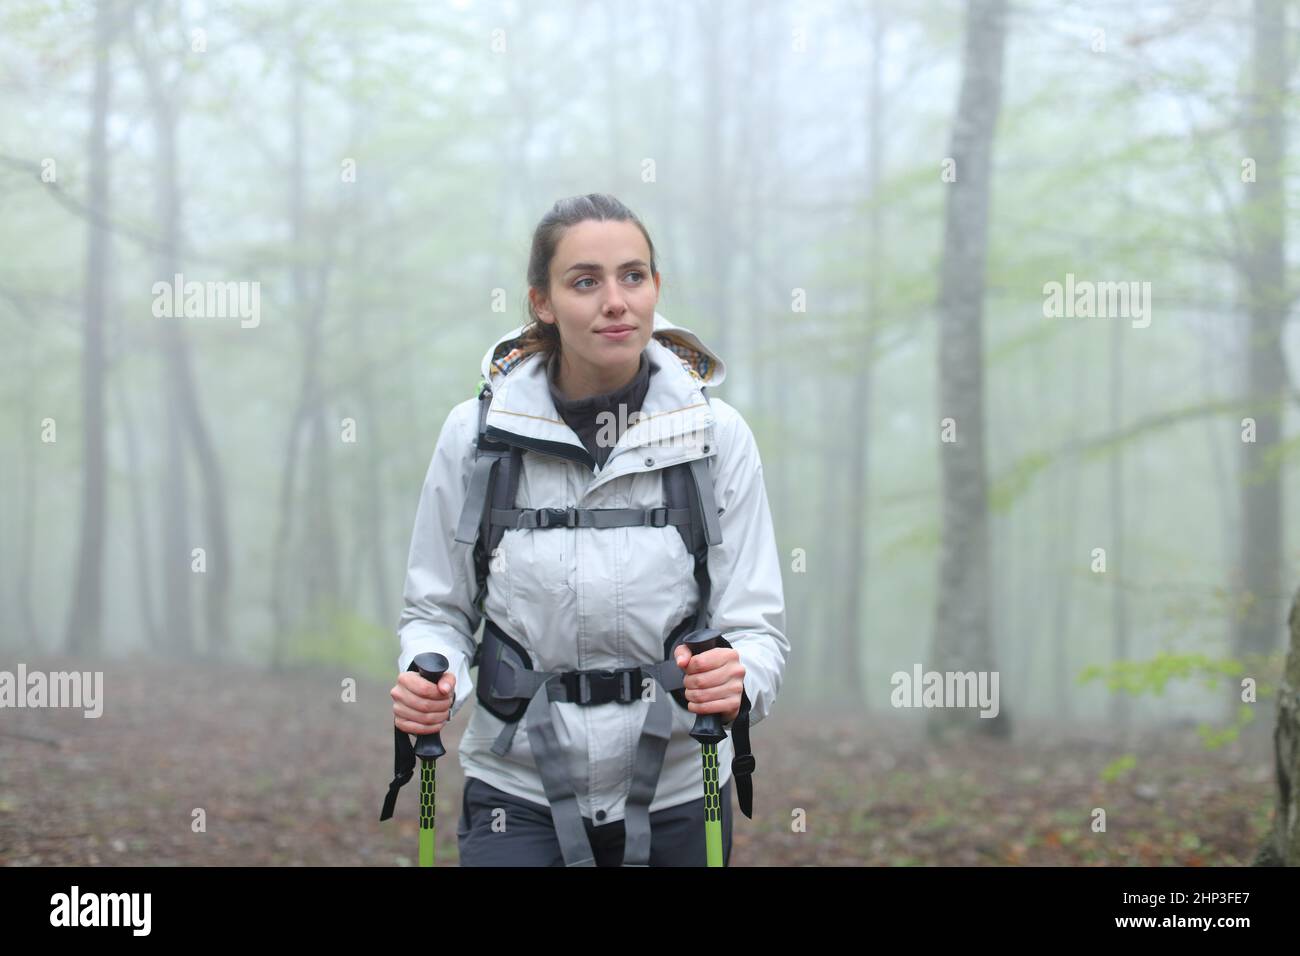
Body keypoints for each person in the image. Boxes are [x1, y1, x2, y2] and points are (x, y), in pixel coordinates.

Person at [390, 193, 788, 866]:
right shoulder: (478, 437)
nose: (615, 300)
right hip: (514, 788)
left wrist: (739, 677)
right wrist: (432, 679)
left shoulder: (715, 438)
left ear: (656, 288)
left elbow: (756, 627)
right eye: (585, 281)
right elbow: (437, 612)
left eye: (633, 276)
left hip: (678, 787)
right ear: (541, 301)